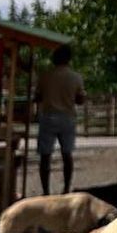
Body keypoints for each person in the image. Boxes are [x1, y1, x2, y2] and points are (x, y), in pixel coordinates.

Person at [35, 44, 85, 196]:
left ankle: (46, 191)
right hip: (67, 117)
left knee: (45, 155)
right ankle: (66, 189)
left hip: (49, 116)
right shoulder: (75, 77)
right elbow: (80, 100)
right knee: (67, 154)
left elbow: (38, 97)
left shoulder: (46, 76)